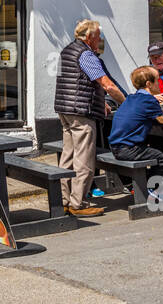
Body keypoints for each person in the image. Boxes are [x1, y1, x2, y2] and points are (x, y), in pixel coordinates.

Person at [54, 19, 126, 217]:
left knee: (67, 156)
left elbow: (74, 81)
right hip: (81, 112)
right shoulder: (86, 54)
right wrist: (126, 103)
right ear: (88, 37)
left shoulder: (67, 51)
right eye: (98, 36)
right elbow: (107, 84)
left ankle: (65, 200)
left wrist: (99, 101)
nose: (100, 39)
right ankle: (79, 203)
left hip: (65, 109)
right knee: (84, 158)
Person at [107, 66, 163, 197]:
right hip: (128, 149)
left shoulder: (131, 98)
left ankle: (148, 186)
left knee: (155, 149)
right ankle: (156, 191)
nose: (159, 83)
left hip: (115, 146)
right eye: (157, 81)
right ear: (149, 84)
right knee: (161, 157)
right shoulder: (149, 100)